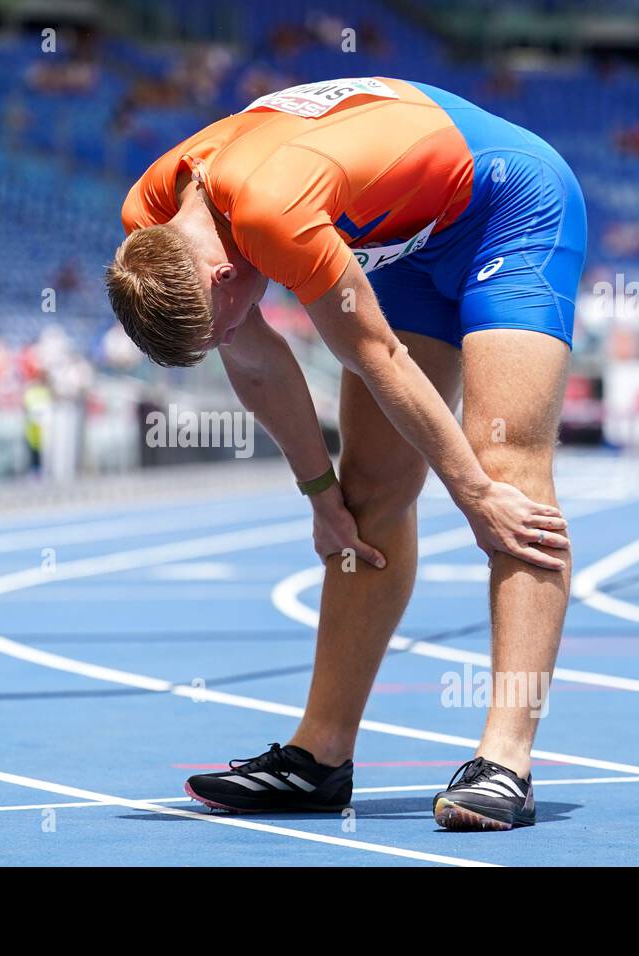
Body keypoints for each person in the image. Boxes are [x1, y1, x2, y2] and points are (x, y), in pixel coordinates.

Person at [106, 77, 587, 831]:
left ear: (224, 277)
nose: (230, 338)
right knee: (366, 497)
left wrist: (473, 494)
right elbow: (260, 363)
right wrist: (320, 496)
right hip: (402, 235)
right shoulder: (152, 226)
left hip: (509, 206)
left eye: (222, 328)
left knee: (507, 472)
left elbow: (381, 357)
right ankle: (321, 756)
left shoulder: (273, 215)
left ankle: (506, 760)